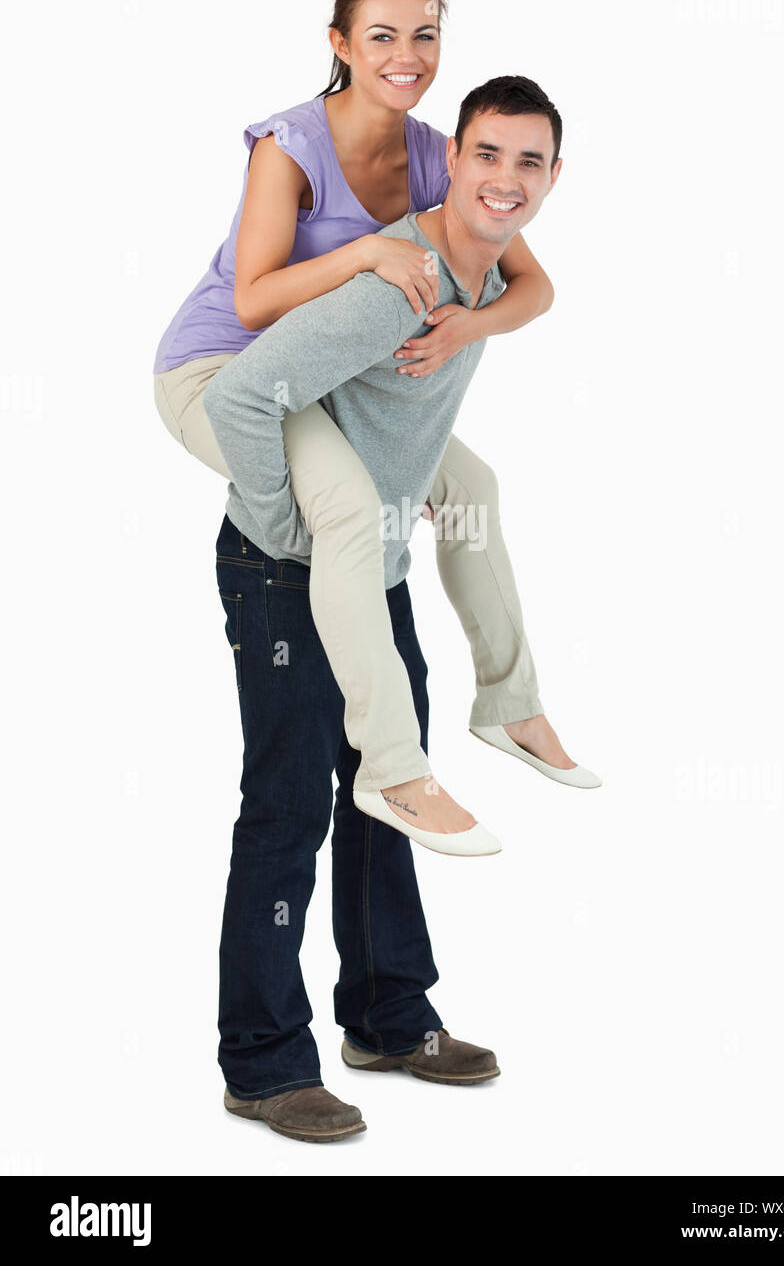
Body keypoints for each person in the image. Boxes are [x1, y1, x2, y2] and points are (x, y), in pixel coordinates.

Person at [153, 0, 600, 846]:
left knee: (471, 493)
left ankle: (509, 704)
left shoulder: (444, 155)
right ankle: (394, 771)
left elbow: (531, 285)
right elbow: (251, 303)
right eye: (383, 36)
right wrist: (362, 255)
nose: (409, 54)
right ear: (340, 45)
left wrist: (467, 329)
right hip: (224, 370)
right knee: (351, 513)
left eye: (426, 34)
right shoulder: (291, 146)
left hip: (323, 373)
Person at [205, 76, 567, 1140]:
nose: (505, 180)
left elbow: (537, 294)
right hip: (285, 566)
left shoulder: (487, 260)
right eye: (488, 156)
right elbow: (237, 395)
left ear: (551, 177)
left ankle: (389, 1018)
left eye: (528, 163)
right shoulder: (391, 283)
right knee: (287, 812)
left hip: (377, 565)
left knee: (382, 796)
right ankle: (265, 1065)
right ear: (448, 159)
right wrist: (285, 530)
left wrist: (472, 328)